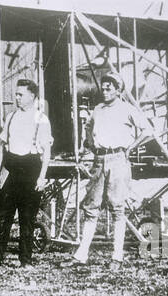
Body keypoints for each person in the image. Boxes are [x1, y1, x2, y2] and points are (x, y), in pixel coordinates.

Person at [64, 71, 151, 267]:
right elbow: (87, 130)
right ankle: (81, 256)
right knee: (91, 208)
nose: (105, 91)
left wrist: (130, 147)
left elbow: (147, 130)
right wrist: (87, 147)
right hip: (98, 160)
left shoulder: (127, 109)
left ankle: (117, 257)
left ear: (118, 89)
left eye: (109, 88)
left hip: (118, 160)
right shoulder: (97, 109)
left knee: (117, 209)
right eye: (103, 88)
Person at [0, 79, 53, 267]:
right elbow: (2, 147)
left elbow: (47, 152)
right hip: (10, 168)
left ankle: (25, 260)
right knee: (3, 217)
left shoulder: (41, 119)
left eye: (20, 94)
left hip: (31, 167)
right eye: (16, 94)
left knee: (27, 218)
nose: (16, 98)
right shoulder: (11, 117)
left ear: (32, 96)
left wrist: (42, 177)